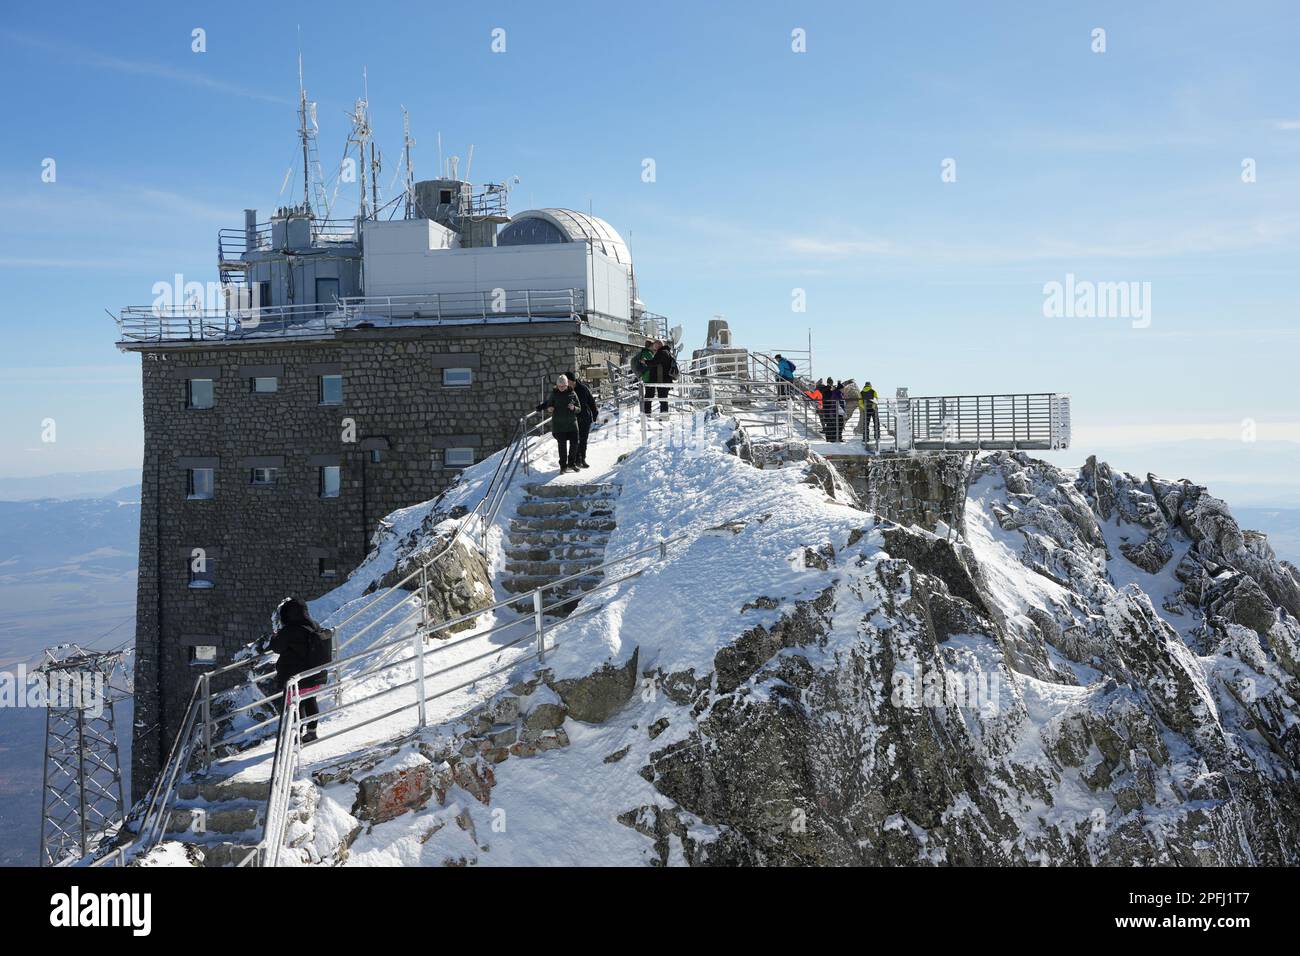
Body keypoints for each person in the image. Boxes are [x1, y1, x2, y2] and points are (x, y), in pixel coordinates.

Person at [268, 597, 332, 743]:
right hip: (315, 674)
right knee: (310, 701)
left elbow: (277, 647)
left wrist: (275, 637)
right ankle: (312, 732)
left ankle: (297, 735)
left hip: (296, 677)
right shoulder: (314, 625)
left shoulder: (290, 630)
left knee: (297, 706)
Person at [537, 374, 583, 472]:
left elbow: (579, 409)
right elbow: (549, 405)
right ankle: (563, 466)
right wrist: (550, 408)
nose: (561, 388)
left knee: (574, 444)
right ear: (557, 386)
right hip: (559, 425)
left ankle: (571, 464)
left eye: (563, 386)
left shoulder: (572, 393)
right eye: (559, 386)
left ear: (567, 385)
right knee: (562, 447)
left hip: (572, 424)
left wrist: (574, 408)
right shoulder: (554, 394)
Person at [568, 369, 599, 469]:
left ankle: (582, 459)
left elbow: (591, 402)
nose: (566, 384)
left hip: (585, 418)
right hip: (573, 419)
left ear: (573, 381)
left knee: (583, 440)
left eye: (568, 382)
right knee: (575, 440)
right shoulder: (566, 391)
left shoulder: (583, 389)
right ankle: (575, 460)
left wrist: (595, 414)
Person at [648, 340, 676, 416]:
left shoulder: (662, 352)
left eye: (655, 344)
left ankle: (664, 415)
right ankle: (664, 415)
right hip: (665, 379)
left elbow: (654, 362)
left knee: (663, 398)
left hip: (663, 379)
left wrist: (645, 362)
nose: (654, 346)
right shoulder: (666, 352)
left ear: (659, 345)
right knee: (663, 398)